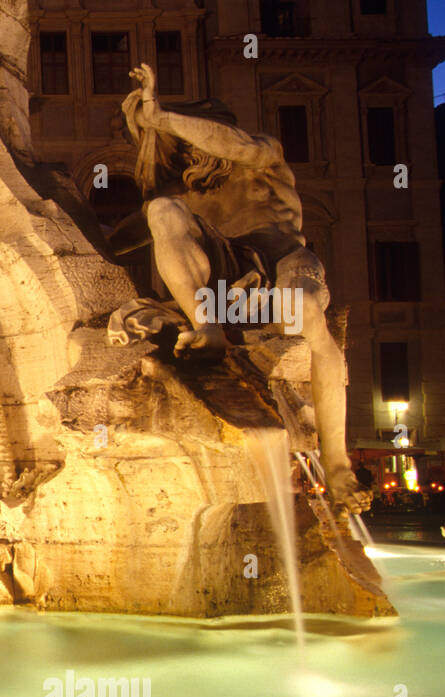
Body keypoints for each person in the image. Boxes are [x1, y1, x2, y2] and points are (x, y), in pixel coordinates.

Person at [119, 63, 368, 514]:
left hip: (284, 263)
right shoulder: (187, 194)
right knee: (161, 210)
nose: (186, 157)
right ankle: (207, 327)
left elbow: (236, 145)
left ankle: (336, 463)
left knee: (308, 312)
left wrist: (161, 117)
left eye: (190, 145)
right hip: (229, 292)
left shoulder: (262, 155)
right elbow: (124, 237)